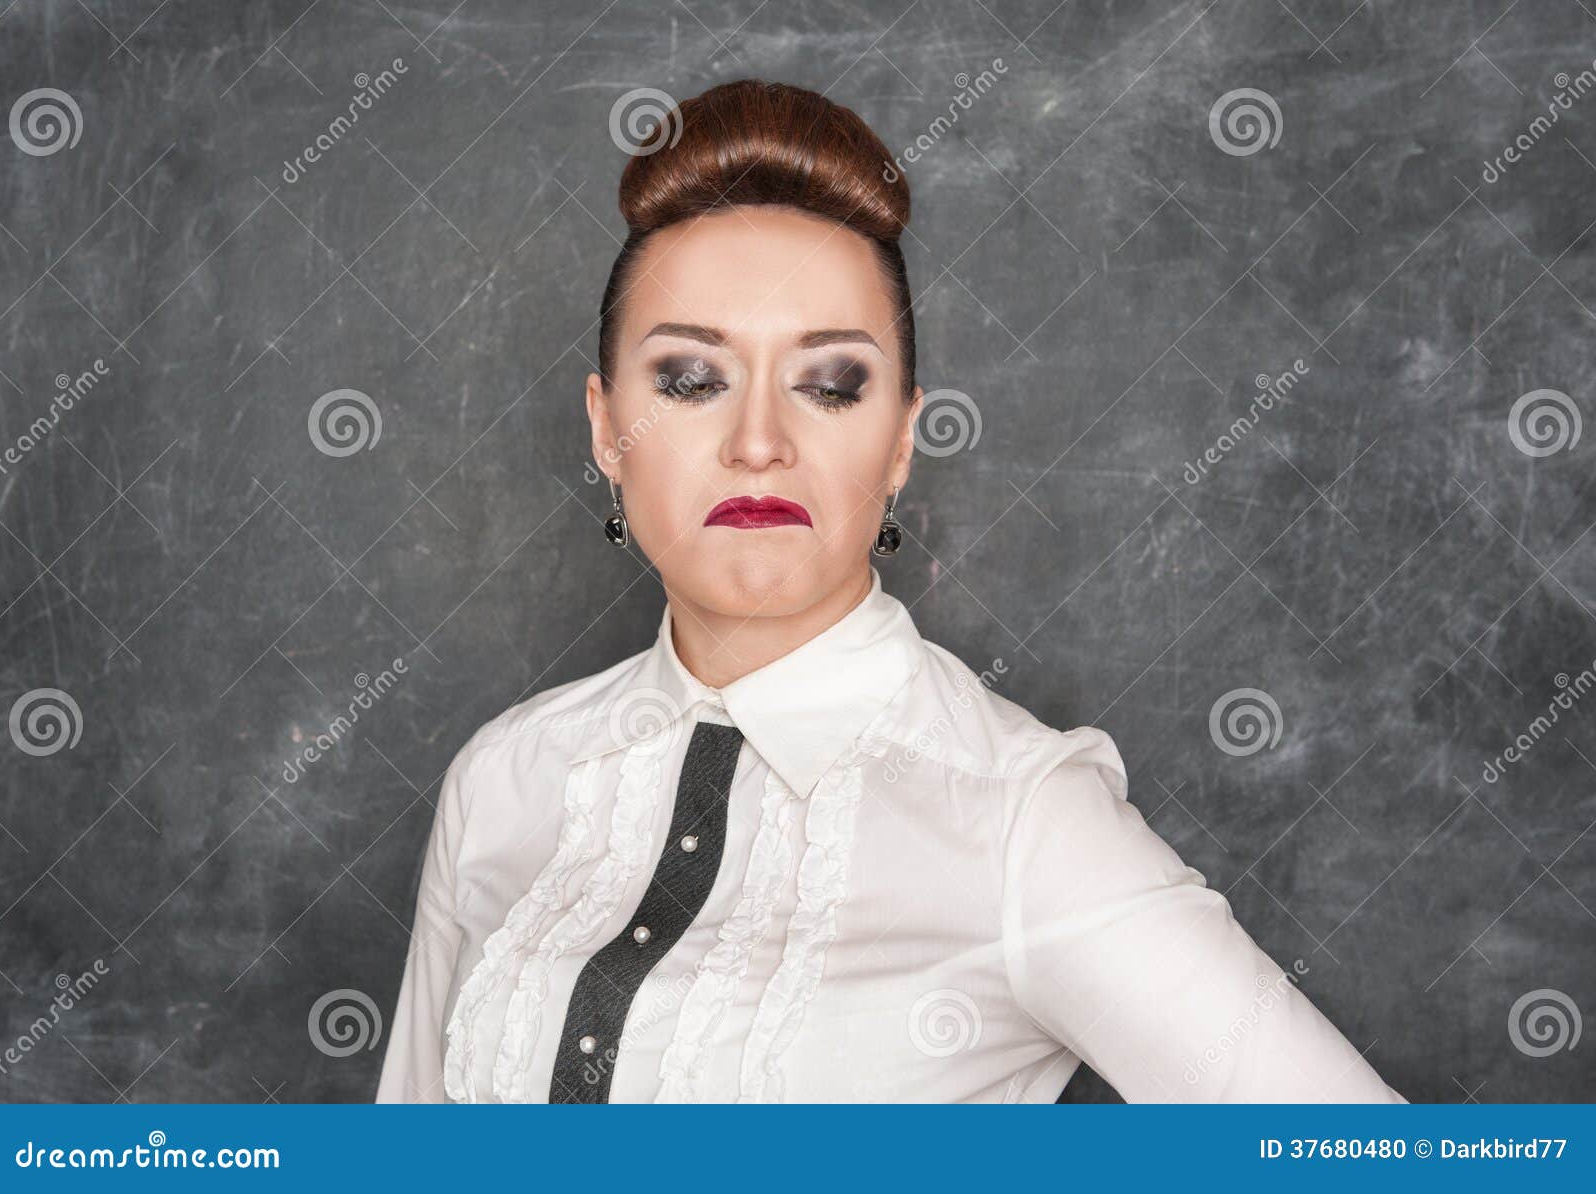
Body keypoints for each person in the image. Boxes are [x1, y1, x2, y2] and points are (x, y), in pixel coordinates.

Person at [375, 78, 1406, 1104]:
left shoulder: (1017, 818)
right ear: (608, 428)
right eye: (691, 380)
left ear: (903, 440)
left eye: (830, 385)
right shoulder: (503, 779)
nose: (758, 443)